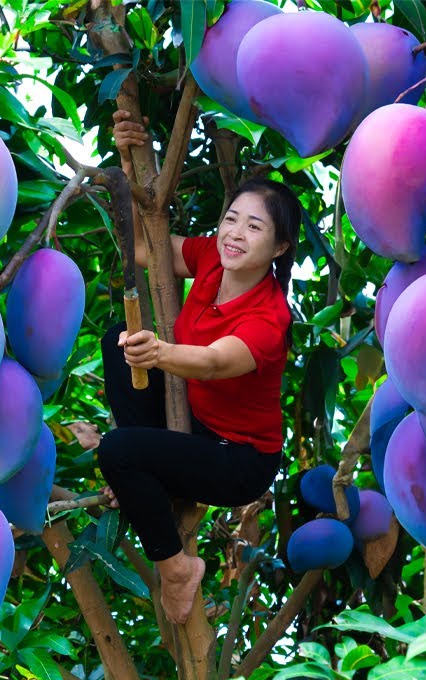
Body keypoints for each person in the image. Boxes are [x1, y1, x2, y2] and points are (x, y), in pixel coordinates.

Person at [97, 110, 299, 624]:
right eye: (231, 218)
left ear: (279, 247)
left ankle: (177, 568)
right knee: (115, 345)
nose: (234, 233)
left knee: (116, 451)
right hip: (192, 419)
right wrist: (127, 159)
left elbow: (211, 364)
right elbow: (143, 246)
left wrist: (159, 352)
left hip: (238, 459)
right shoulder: (213, 256)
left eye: (254, 227)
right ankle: (149, 481)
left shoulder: (269, 318)